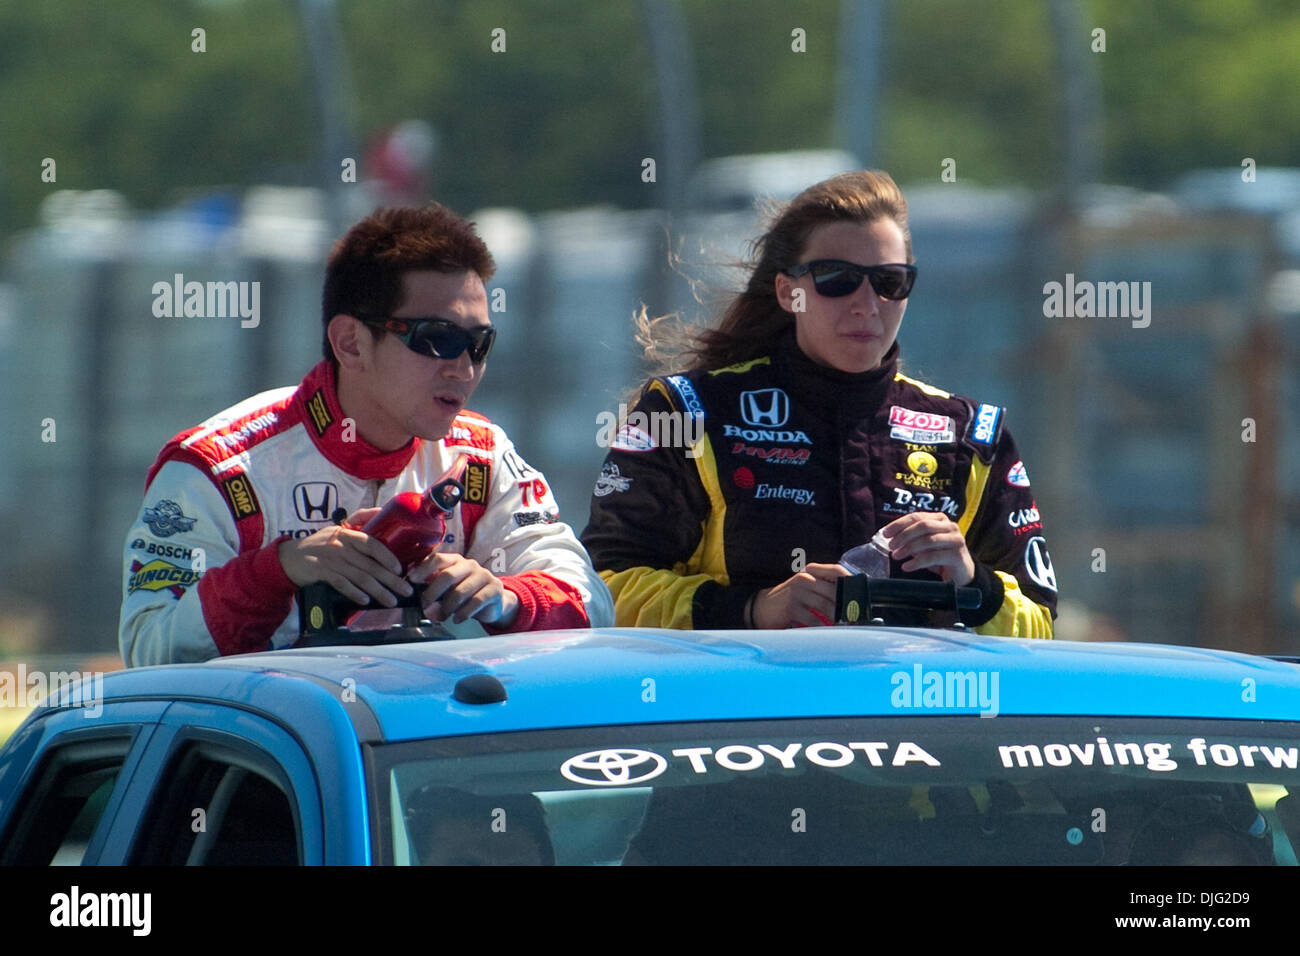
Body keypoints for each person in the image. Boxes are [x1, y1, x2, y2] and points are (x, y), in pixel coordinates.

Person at [120, 204, 613, 667]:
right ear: (351, 343)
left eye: (479, 343)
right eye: (437, 339)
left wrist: (507, 600)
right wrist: (280, 570)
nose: (464, 369)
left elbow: (592, 605)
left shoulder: (481, 457)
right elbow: (149, 650)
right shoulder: (220, 469)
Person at [581, 170, 1055, 635]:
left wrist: (976, 585)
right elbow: (601, 590)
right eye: (837, 279)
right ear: (789, 292)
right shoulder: (685, 411)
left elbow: (1040, 624)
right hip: (743, 709)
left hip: (911, 713)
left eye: (890, 282)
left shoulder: (971, 434)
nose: (867, 304)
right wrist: (756, 609)